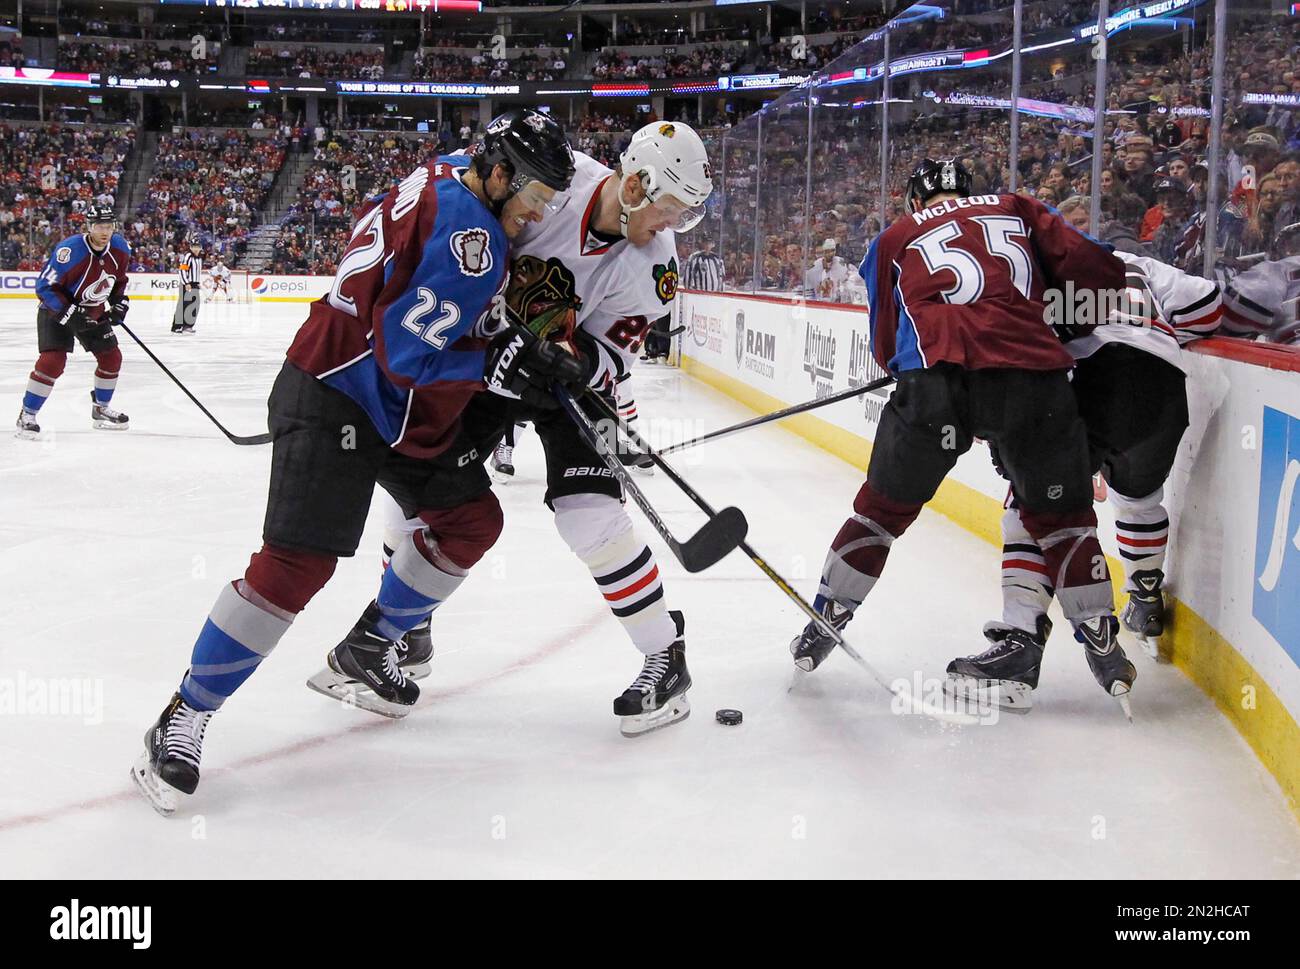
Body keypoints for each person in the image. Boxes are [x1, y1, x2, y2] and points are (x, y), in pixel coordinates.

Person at [130, 110, 580, 816]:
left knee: (469, 519)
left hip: (390, 403)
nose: (540, 210)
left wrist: (508, 338)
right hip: (338, 389)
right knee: (295, 566)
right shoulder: (475, 238)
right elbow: (408, 354)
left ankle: (370, 646)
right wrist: (495, 360)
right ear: (497, 173)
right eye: (535, 193)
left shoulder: (441, 174)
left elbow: (418, 300)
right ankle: (182, 716)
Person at [340, 121, 713, 737]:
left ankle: (663, 657)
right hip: (488, 359)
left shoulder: (655, 264)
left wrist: (573, 361)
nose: (670, 225)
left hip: (567, 381)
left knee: (588, 514)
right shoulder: (556, 187)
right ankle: (405, 625)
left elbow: (617, 353)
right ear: (640, 184)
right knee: (423, 487)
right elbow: (468, 210)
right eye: (670, 209)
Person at [789, 159, 1136, 712]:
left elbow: (884, 342)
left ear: (912, 201)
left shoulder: (895, 237)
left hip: (938, 386)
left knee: (879, 512)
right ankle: (1101, 638)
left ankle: (826, 617)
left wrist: (918, 382)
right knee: (1063, 519)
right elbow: (1102, 272)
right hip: (1034, 380)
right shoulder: (1016, 207)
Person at [992, 252, 1221, 667]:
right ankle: (1145, 596)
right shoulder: (1141, 264)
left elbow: (1017, 336)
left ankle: (1021, 634)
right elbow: (1207, 305)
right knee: (1139, 497)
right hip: (1161, 382)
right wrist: (1156, 332)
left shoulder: (1038, 264)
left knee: (1031, 500)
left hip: (1090, 375)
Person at [15, 204, 130, 440]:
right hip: (56, 309)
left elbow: (117, 281)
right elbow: (44, 287)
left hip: (92, 309)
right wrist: (69, 314)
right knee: (52, 362)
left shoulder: (120, 249)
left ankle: (100, 409)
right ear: (89, 227)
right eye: (99, 226)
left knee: (112, 357)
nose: (104, 231)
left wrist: (119, 302)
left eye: (109, 226)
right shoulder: (69, 250)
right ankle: (27, 414)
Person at [172, 241, 203, 334]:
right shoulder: (188, 256)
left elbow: (196, 272)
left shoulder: (199, 258)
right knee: (183, 305)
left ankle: (188, 326)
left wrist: (197, 282)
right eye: (194, 247)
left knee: (194, 306)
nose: (196, 249)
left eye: (198, 247)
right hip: (187, 284)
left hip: (194, 285)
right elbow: (182, 270)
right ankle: (177, 326)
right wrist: (186, 283)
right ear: (191, 247)